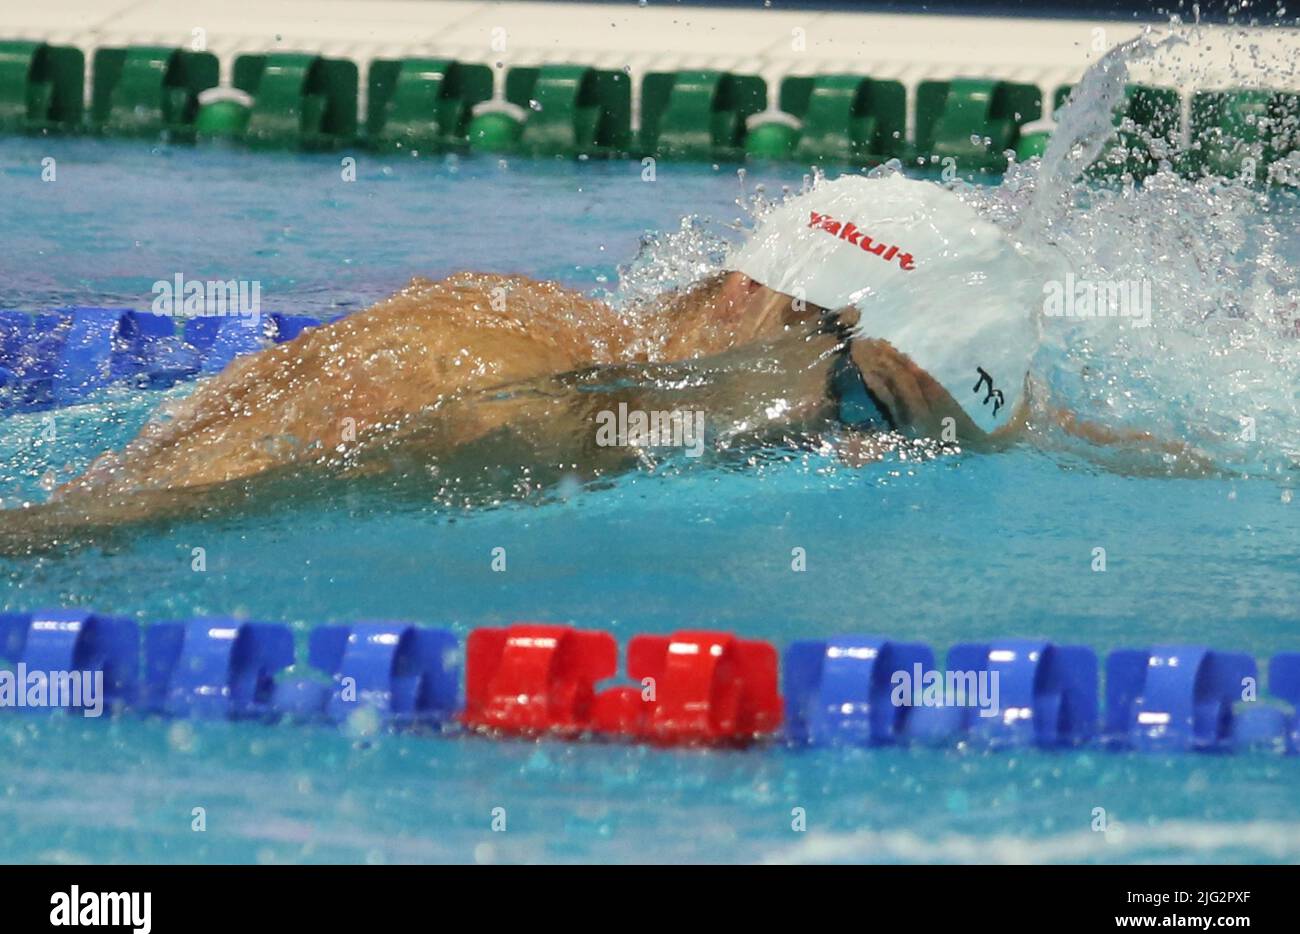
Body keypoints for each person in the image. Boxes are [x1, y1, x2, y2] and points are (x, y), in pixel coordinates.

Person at [6, 174, 1201, 549]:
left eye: (892, 430)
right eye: (859, 402)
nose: (848, 445)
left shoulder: (677, 379)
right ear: (754, 298)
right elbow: (81, 529)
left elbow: (983, 410)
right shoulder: (489, 394)